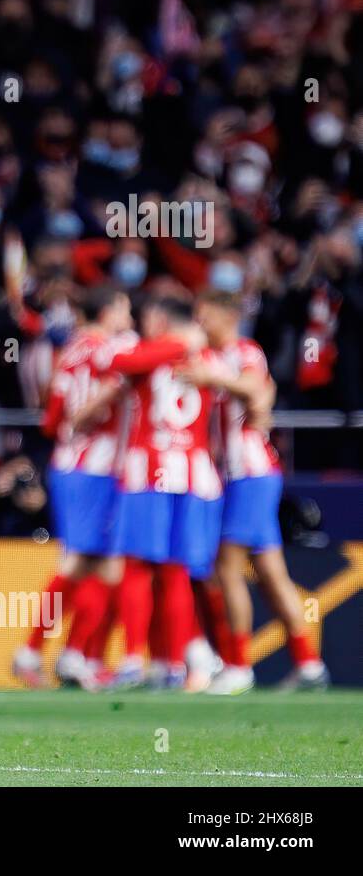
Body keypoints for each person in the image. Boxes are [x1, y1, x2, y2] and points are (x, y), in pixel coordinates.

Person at [185, 291, 329, 693]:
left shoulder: (243, 351)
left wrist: (223, 382)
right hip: (237, 474)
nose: (200, 321)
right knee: (269, 572)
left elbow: (257, 389)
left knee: (226, 567)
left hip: (249, 472)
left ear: (227, 315)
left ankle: (237, 666)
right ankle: (309, 664)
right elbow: (258, 398)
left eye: (205, 312)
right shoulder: (208, 356)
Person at [14, 286, 134, 690]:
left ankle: (74, 656)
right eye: (125, 309)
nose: (129, 319)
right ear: (111, 309)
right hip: (96, 467)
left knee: (95, 564)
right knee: (88, 563)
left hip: (68, 465)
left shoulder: (71, 350)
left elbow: (50, 420)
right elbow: (83, 411)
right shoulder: (112, 351)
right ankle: (42, 652)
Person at [100, 297, 219, 690]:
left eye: (147, 316)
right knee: (176, 570)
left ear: (161, 318)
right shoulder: (204, 356)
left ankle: (135, 660)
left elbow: (119, 362)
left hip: (149, 469)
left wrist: (172, 342)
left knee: (137, 567)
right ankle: (173, 664)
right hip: (191, 471)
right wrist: (186, 342)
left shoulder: (147, 355)